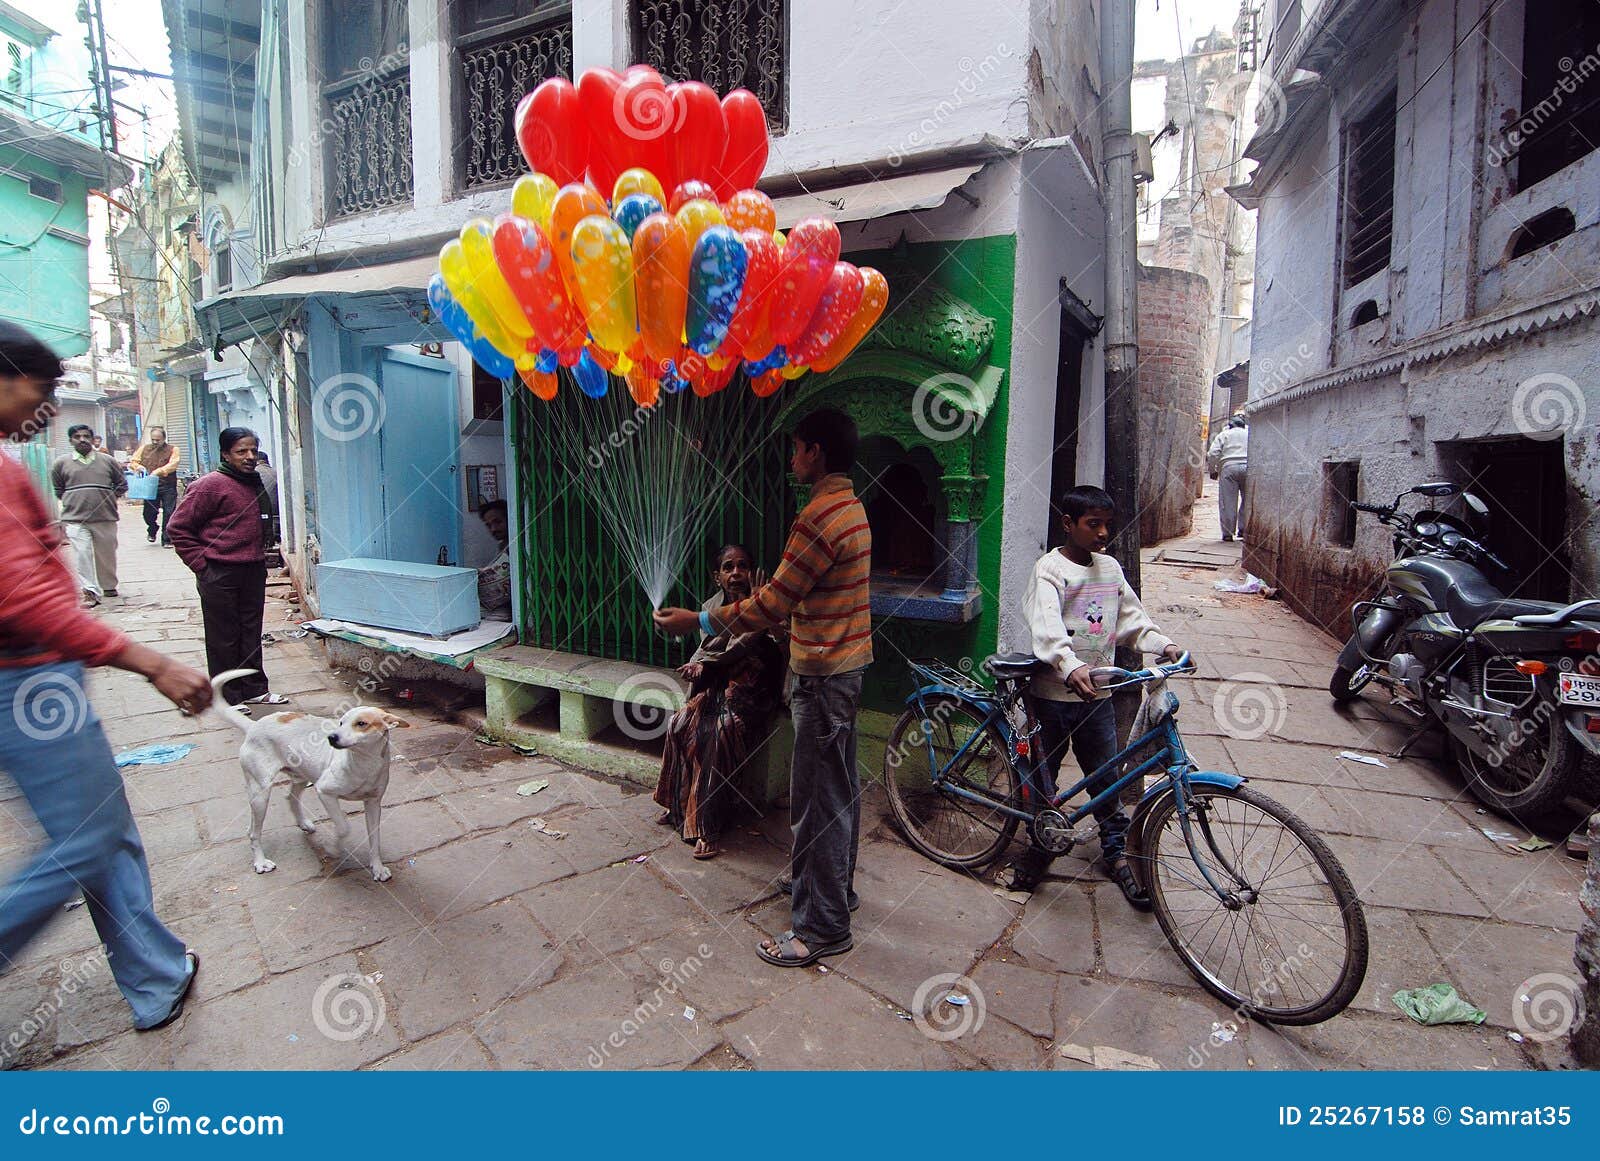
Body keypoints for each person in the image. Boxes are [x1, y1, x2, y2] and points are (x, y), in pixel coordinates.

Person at [0, 320, 211, 1030]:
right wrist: (151, 660)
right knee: (87, 837)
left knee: (103, 826)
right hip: (27, 680)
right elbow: (25, 603)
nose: (50, 406)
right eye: (43, 388)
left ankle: (154, 974)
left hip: (35, 676)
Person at [655, 408, 872, 967]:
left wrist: (698, 623)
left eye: (798, 448)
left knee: (815, 803)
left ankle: (820, 928)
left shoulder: (817, 518)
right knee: (838, 792)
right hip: (845, 671)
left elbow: (773, 602)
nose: (792, 458)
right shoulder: (853, 507)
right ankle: (833, 894)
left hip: (822, 679)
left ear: (817, 452)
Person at [1005, 484, 1185, 910]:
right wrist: (1070, 666)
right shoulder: (1049, 570)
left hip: (1097, 697)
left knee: (1105, 777)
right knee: (1043, 779)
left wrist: (1162, 644)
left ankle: (1116, 850)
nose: (1103, 533)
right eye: (1093, 524)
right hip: (1051, 696)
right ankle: (1038, 847)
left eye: (1107, 525)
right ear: (1068, 525)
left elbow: (1132, 620)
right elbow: (1046, 627)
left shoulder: (1109, 569)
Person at [654, 544, 785, 860]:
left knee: (721, 731)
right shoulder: (711, 607)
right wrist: (698, 666)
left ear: (752, 572)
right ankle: (678, 807)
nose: (736, 573)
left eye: (742, 566)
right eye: (729, 567)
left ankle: (708, 825)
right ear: (718, 577)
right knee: (680, 723)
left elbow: (775, 644)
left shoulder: (766, 604)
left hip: (752, 693)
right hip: (717, 687)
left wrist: (763, 613)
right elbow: (706, 651)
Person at [166, 426, 285, 710]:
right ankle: (227, 696)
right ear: (225, 454)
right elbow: (177, 528)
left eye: (253, 451)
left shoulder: (253, 481)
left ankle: (255, 689)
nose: (249, 457)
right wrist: (201, 565)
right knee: (224, 637)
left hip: (252, 568)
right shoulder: (209, 485)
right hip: (220, 572)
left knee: (250, 631)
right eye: (241, 451)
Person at [50, 424, 125, 607]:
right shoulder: (61, 463)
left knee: (106, 554)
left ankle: (108, 586)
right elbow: (59, 489)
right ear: (71, 441)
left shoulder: (108, 461)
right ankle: (89, 590)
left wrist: (106, 498)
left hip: (105, 517)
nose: (82, 439)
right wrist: (76, 501)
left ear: (93, 440)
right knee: (82, 553)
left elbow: (121, 484)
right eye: (77, 436)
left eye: (86, 436)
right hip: (75, 519)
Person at [130, 424, 181, 546]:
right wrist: (138, 466)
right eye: (153, 439)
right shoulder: (144, 449)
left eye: (157, 440)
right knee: (148, 513)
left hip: (167, 485)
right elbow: (133, 462)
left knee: (169, 512)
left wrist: (159, 471)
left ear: (164, 439)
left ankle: (167, 539)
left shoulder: (173, 449)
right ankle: (152, 529)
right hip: (150, 486)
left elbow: (174, 464)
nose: (155, 442)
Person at [1207, 413, 1249, 542]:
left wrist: (1212, 470)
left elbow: (1213, 454)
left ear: (1230, 425)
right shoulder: (1250, 433)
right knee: (1247, 501)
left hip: (1228, 468)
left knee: (1228, 501)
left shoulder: (1224, 434)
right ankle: (1243, 529)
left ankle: (1227, 533)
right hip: (1248, 467)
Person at [476, 499, 512, 621]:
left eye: (498, 522)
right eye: (488, 525)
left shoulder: (518, 545)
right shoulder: (503, 546)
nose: (493, 529)